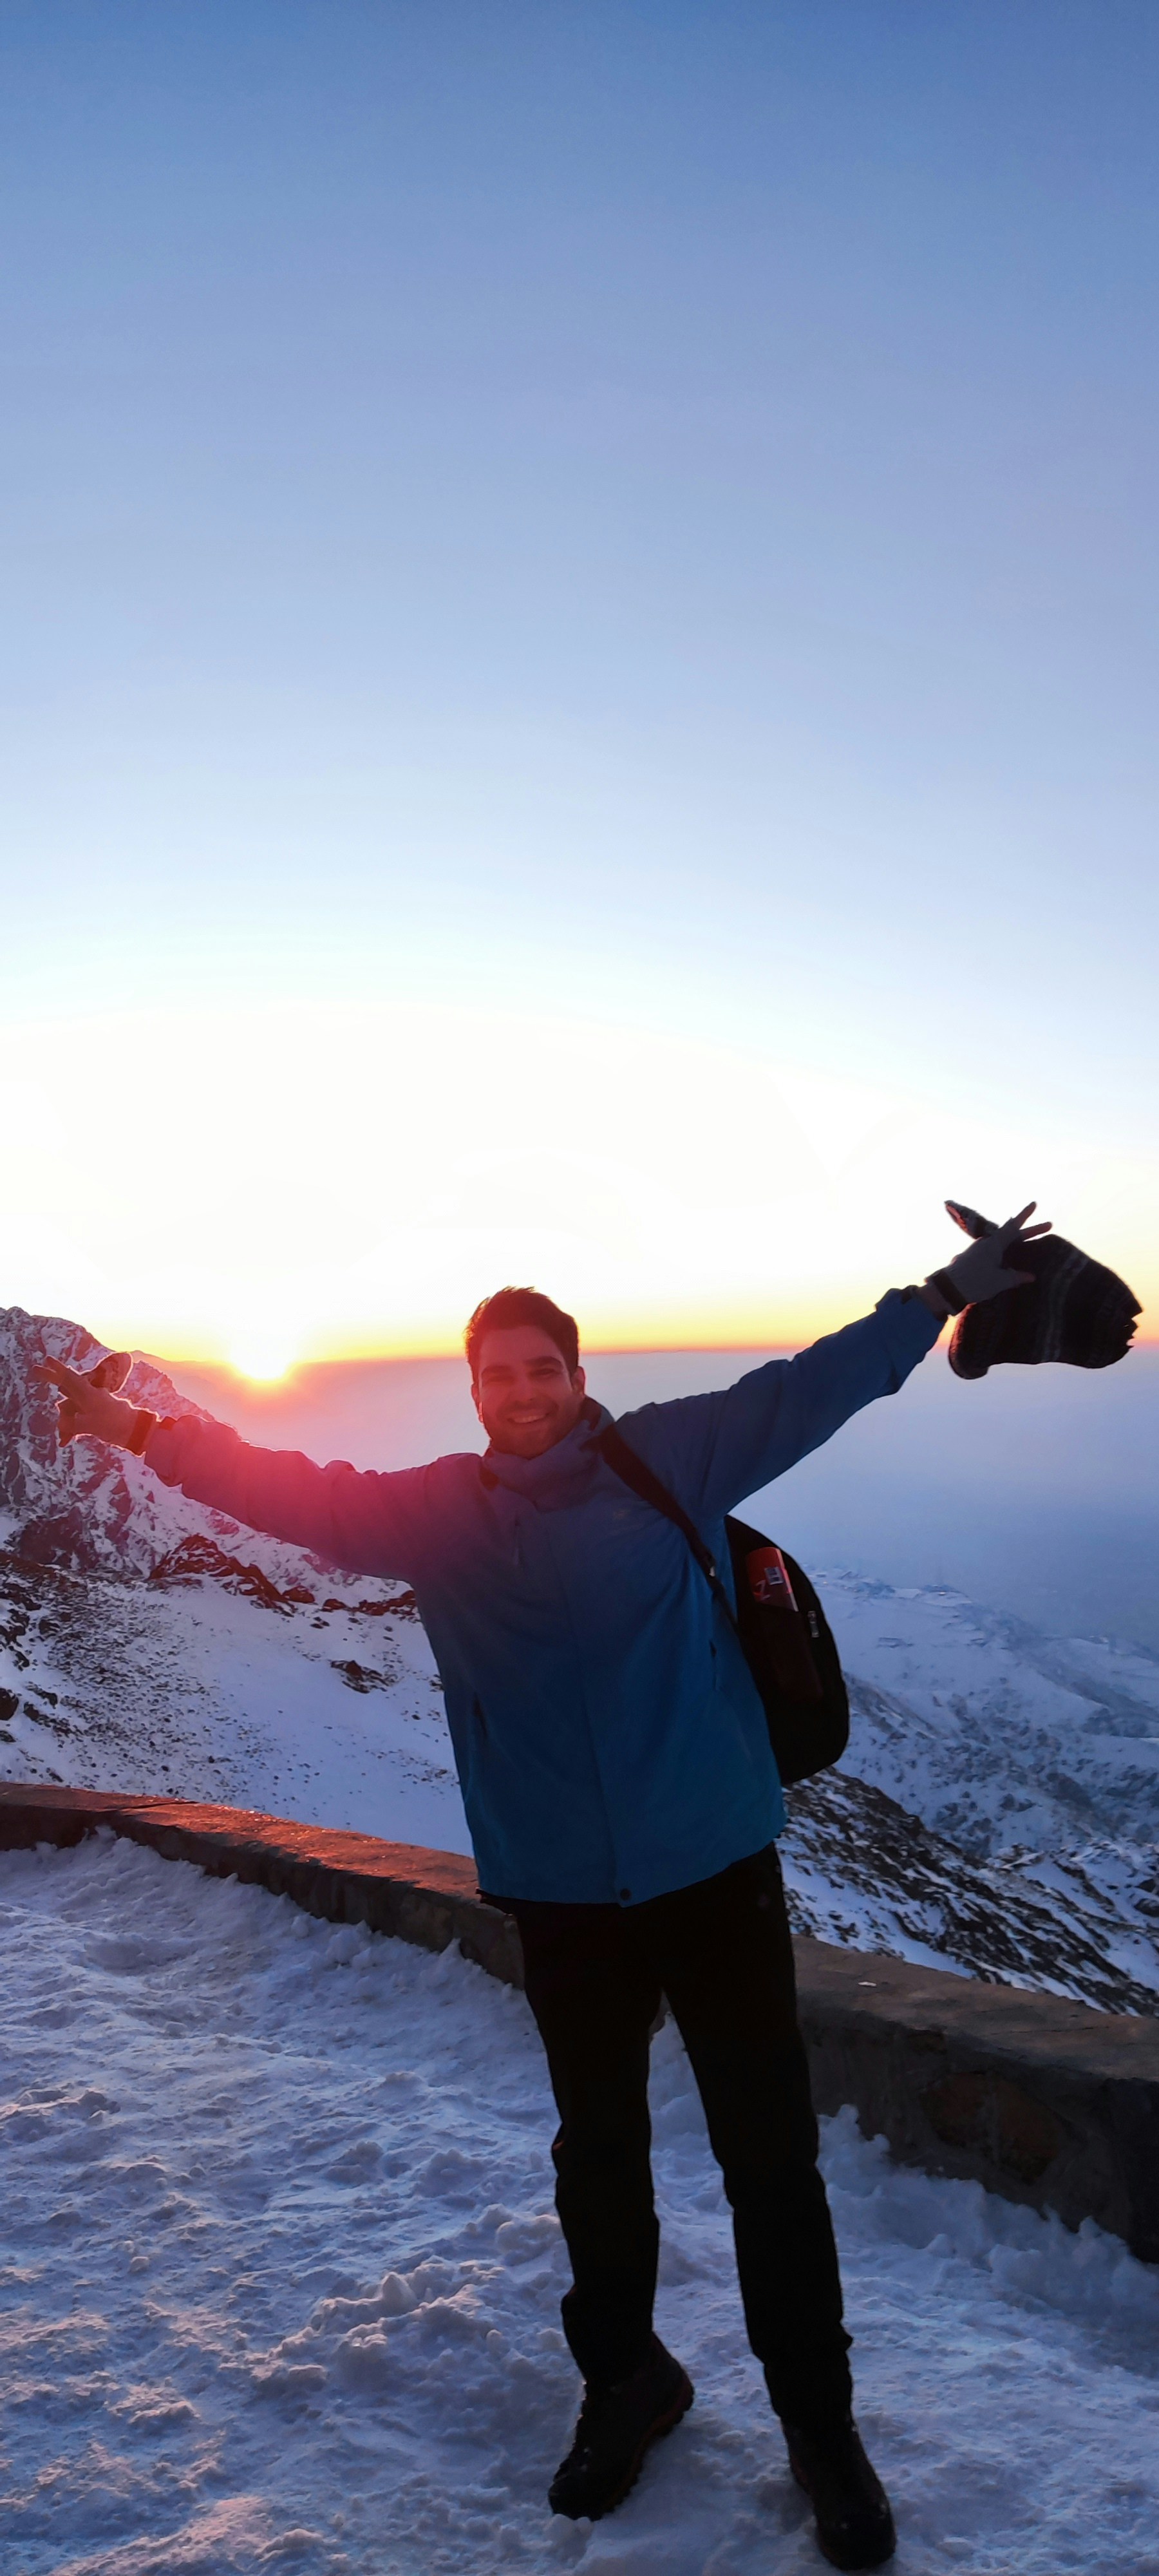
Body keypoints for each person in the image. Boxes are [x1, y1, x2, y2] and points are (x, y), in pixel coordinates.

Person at [39, 1205, 1048, 2573]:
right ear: (473, 1392)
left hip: (713, 1863)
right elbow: (281, 1482)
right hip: (566, 1890)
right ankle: (626, 2378)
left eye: (542, 1368)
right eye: (495, 1375)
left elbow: (816, 1382)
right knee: (600, 2151)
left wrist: (938, 1292)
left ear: (579, 1377)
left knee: (770, 2158)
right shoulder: (436, 1513)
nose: (521, 1393)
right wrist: (147, 1430)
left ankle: (822, 2425)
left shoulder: (667, 1459)